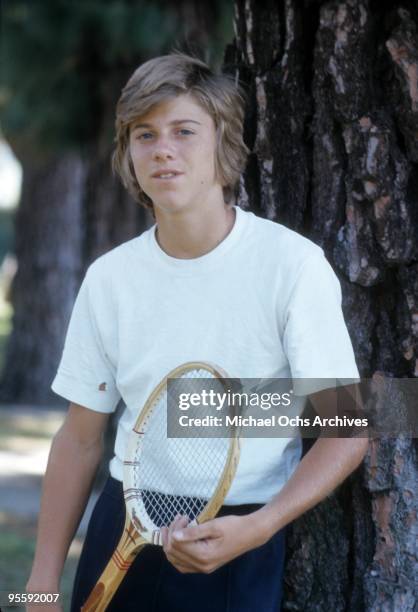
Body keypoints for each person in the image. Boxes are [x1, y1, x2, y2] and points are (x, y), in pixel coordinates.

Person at [26, 52, 368, 612]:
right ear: (128, 152)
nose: (163, 149)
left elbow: (348, 429)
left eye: (184, 131)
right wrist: (37, 585)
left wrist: (260, 528)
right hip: (123, 523)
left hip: (236, 542)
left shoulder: (292, 266)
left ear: (223, 144)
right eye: (145, 134)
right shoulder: (109, 278)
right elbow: (80, 437)